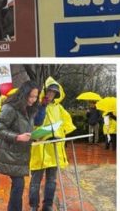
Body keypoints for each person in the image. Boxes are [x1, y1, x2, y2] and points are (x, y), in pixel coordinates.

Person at [0, 81, 39, 211]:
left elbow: (25, 128)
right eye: (31, 96)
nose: (33, 99)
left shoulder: (29, 109)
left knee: (18, 184)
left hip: (19, 153)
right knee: (19, 184)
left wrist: (34, 135)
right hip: (8, 153)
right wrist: (17, 137)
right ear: (23, 94)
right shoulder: (10, 108)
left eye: (36, 96)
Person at [29, 78, 75, 211]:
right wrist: (42, 106)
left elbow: (67, 125)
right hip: (39, 148)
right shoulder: (35, 105)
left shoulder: (59, 108)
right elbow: (36, 122)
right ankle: (33, 206)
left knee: (51, 180)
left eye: (54, 92)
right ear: (44, 91)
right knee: (35, 181)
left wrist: (62, 135)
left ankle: (47, 205)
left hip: (54, 148)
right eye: (49, 91)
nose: (50, 94)